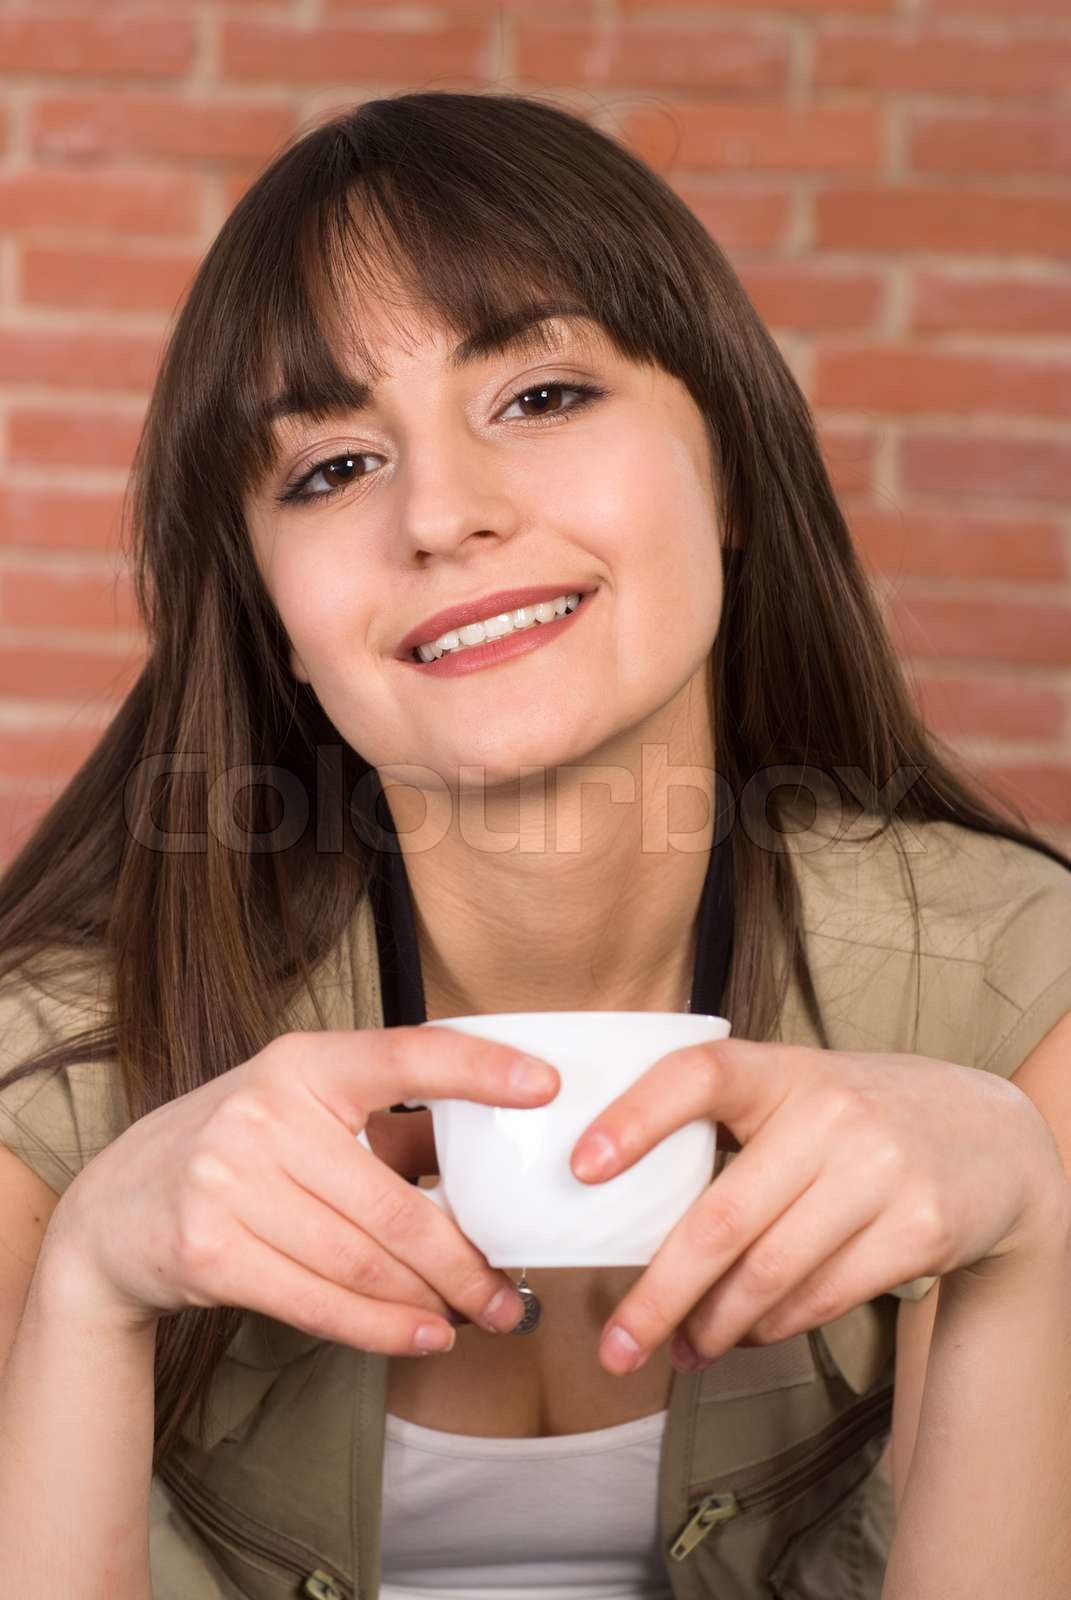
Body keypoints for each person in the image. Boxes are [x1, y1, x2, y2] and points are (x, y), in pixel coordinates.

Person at [0, 88, 1069, 1600]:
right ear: (278, 626)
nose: (441, 515)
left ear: (733, 469)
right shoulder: (58, 1060)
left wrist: (1028, 1238)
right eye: (331, 467)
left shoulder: (1015, 997)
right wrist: (90, 1288)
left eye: (542, 397)